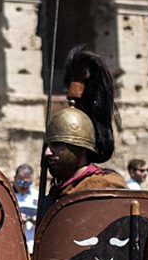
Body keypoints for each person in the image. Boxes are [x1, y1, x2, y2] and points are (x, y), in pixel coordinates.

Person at [40, 45, 126, 216]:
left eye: (57, 144)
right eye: (48, 145)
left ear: (81, 147)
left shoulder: (103, 187)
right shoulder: (58, 191)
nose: (48, 152)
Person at [13, 164, 39, 253]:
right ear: (15, 178)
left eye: (28, 183)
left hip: (32, 248)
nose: (24, 186)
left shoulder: (37, 196)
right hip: (15, 248)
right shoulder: (8, 196)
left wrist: (37, 220)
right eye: (22, 183)